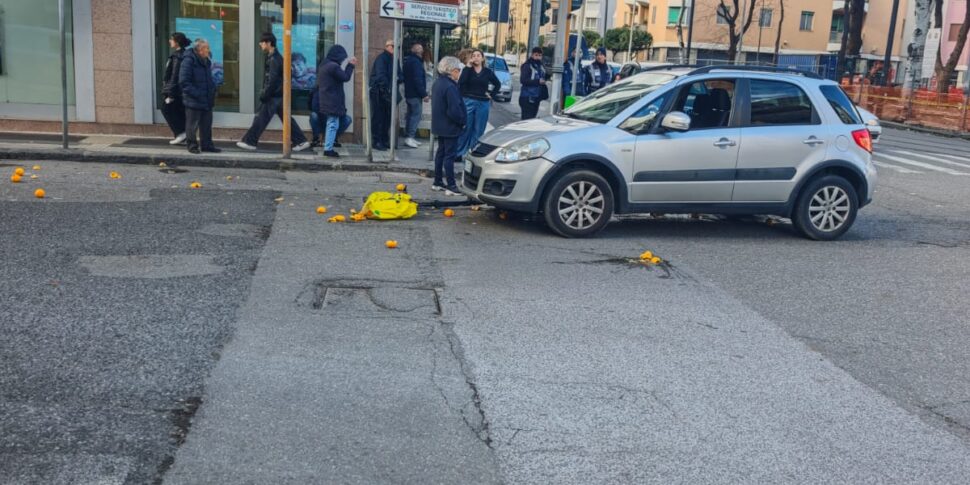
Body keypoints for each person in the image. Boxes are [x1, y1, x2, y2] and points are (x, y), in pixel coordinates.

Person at [236, 32, 311, 152]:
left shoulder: (274, 59)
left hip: (274, 95)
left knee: (261, 119)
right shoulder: (274, 57)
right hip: (278, 94)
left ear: (269, 43)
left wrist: (265, 94)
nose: (260, 44)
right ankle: (301, 141)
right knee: (285, 119)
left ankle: (249, 141)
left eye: (262, 42)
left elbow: (272, 80)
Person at [431, 56, 467, 195]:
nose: (459, 73)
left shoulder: (438, 83)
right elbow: (454, 110)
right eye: (458, 70)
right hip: (450, 126)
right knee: (449, 156)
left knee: (441, 153)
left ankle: (438, 181)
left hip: (440, 125)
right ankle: (451, 185)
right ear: (451, 70)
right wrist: (462, 122)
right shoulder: (450, 86)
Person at [456, 49, 501, 157]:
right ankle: (459, 153)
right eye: (474, 55)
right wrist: (467, 66)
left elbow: (497, 84)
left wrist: (492, 95)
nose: (476, 57)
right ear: (471, 58)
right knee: (466, 128)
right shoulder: (468, 70)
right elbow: (461, 83)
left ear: (482, 58)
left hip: (483, 103)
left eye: (478, 55)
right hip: (468, 101)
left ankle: (471, 154)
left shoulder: (487, 72)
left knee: (479, 130)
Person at [179, 38, 220, 154]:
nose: (209, 50)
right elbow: (184, 82)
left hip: (206, 98)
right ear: (200, 49)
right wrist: (198, 94)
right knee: (192, 124)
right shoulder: (188, 61)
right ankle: (192, 146)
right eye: (207, 48)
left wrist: (212, 90)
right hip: (194, 99)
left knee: (206, 124)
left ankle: (207, 145)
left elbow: (208, 79)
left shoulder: (206, 61)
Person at [317, 45, 357, 158]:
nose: (342, 59)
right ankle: (328, 149)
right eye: (342, 57)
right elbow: (345, 77)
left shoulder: (324, 65)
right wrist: (351, 65)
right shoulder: (333, 66)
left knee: (333, 123)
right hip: (332, 100)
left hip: (327, 99)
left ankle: (328, 145)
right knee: (333, 124)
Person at [161, 32, 190, 145]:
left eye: (171, 39)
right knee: (177, 111)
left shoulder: (178, 56)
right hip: (179, 91)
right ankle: (183, 136)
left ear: (177, 42)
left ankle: (181, 133)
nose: (169, 41)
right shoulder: (181, 54)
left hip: (175, 91)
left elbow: (175, 75)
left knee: (166, 109)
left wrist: (170, 93)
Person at [369, 40, 398, 151]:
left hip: (387, 92)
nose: (396, 49)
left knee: (387, 118)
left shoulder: (393, 59)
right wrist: (387, 88)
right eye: (393, 46)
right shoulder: (382, 58)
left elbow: (399, 74)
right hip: (379, 92)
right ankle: (376, 141)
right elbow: (381, 76)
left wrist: (397, 79)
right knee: (378, 117)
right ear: (387, 47)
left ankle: (384, 140)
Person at [402, 42, 429, 148]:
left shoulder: (409, 61)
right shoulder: (416, 62)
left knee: (410, 115)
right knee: (415, 116)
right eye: (420, 48)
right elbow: (418, 80)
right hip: (415, 94)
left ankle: (409, 137)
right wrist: (424, 94)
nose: (422, 50)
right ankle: (410, 137)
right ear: (417, 51)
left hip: (409, 92)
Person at [519, 47, 546, 120]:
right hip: (527, 97)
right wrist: (538, 81)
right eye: (536, 55)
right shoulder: (527, 65)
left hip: (536, 98)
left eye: (540, 55)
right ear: (532, 55)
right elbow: (523, 80)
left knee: (531, 120)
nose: (538, 57)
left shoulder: (541, 66)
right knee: (526, 121)